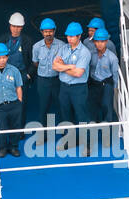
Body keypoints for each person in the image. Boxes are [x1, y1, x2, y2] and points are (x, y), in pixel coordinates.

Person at [52, 22, 91, 155]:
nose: (69, 38)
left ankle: (87, 145)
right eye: (68, 36)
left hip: (78, 89)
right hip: (64, 88)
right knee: (66, 115)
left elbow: (78, 73)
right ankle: (70, 140)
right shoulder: (64, 49)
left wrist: (64, 67)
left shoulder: (85, 52)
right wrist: (70, 67)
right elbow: (55, 66)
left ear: (79, 36)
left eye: (73, 36)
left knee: (82, 116)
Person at [0, 42, 24, 157]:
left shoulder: (14, 70)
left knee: (15, 127)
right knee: (0, 128)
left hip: (14, 104)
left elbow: (18, 87)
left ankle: (14, 147)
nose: (2, 60)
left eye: (4, 57)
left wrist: (19, 101)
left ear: (7, 57)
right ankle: (2, 148)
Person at [30, 18, 62, 145]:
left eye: (50, 31)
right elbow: (35, 62)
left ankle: (66, 134)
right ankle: (42, 135)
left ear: (54, 31)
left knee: (62, 107)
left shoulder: (61, 45)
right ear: (42, 32)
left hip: (57, 81)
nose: (48, 34)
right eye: (45, 31)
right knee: (43, 108)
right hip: (43, 81)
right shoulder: (36, 47)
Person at [88, 27, 119, 154]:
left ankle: (106, 138)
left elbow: (115, 75)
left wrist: (114, 90)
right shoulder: (91, 54)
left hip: (107, 85)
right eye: (97, 41)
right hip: (93, 84)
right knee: (92, 111)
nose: (99, 44)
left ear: (107, 42)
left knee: (107, 110)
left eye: (102, 41)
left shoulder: (112, 58)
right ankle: (91, 140)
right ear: (94, 42)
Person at [0, 12, 34, 96]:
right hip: (5, 74)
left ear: (22, 27)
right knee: (7, 99)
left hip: (22, 75)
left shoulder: (27, 41)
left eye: (18, 26)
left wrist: (28, 75)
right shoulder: (3, 39)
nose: (16, 29)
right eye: (14, 26)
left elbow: (33, 60)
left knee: (21, 101)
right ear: (10, 26)